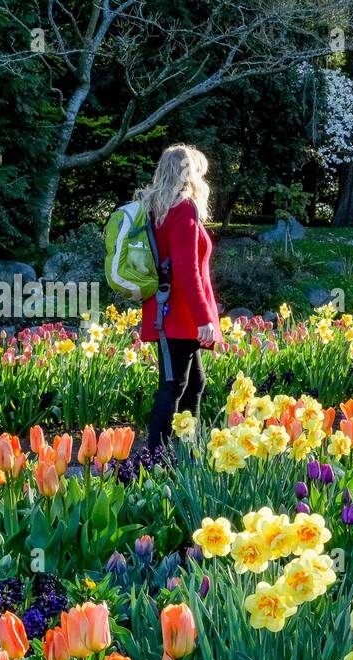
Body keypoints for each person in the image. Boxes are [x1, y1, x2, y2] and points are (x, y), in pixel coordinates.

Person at [137, 143, 220, 451]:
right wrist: (204, 319)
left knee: (193, 383)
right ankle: (156, 458)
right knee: (173, 386)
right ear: (189, 175)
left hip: (171, 311)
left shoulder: (158, 209)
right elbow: (186, 271)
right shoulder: (182, 208)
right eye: (200, 173)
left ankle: (187, 452)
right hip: (178, 315)